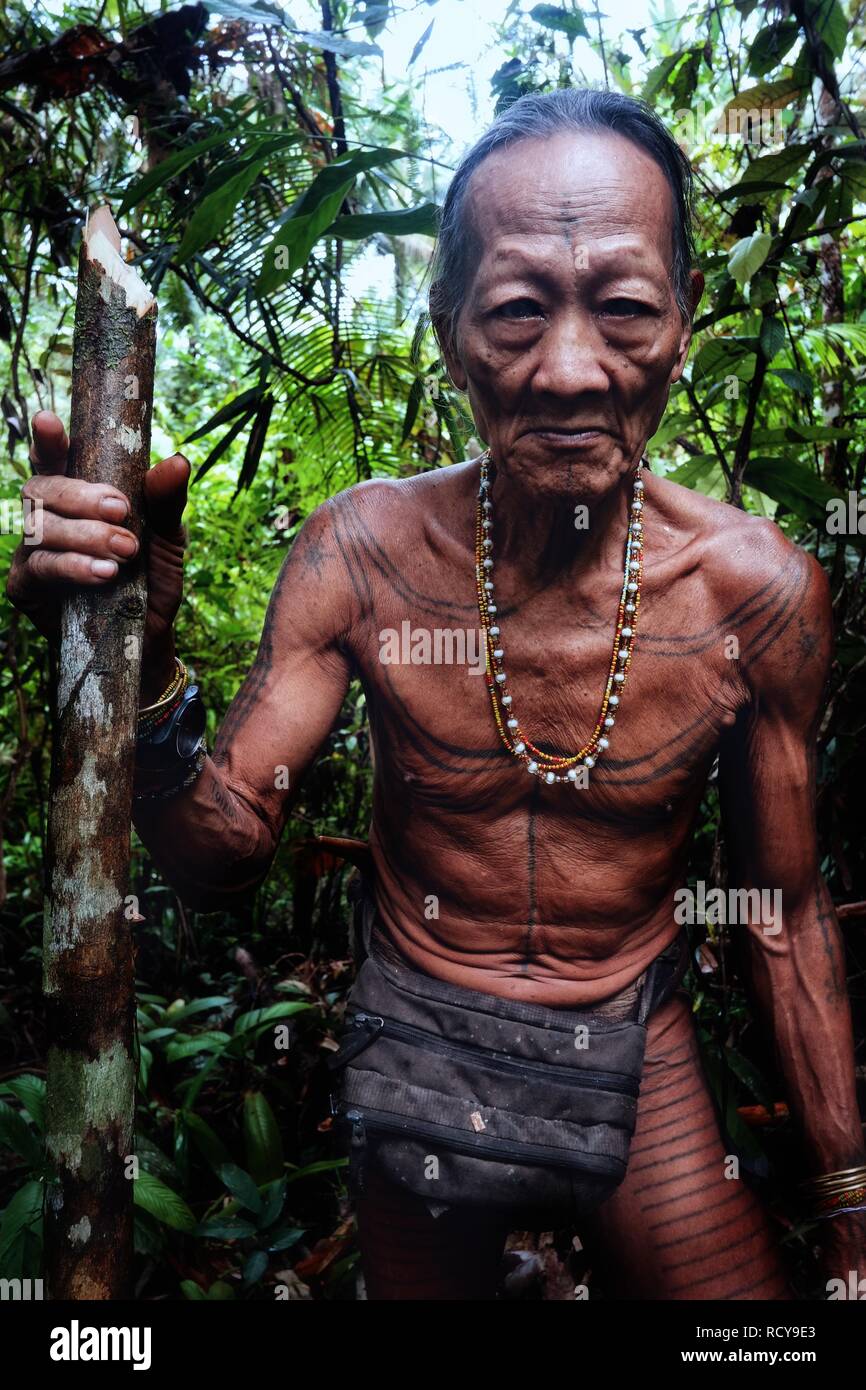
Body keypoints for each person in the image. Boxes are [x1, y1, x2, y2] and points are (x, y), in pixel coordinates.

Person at [8, 88, 865, 1301]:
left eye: (621, 306)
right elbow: (217, 857)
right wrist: (131, 660)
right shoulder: (360, 554)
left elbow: (781, 909)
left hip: (628, 1027)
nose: (569, 370)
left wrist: (848, 1213)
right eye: (516, 311)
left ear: (682, 322)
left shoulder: (759, 594)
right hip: (423, 1027)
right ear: (447, 327)